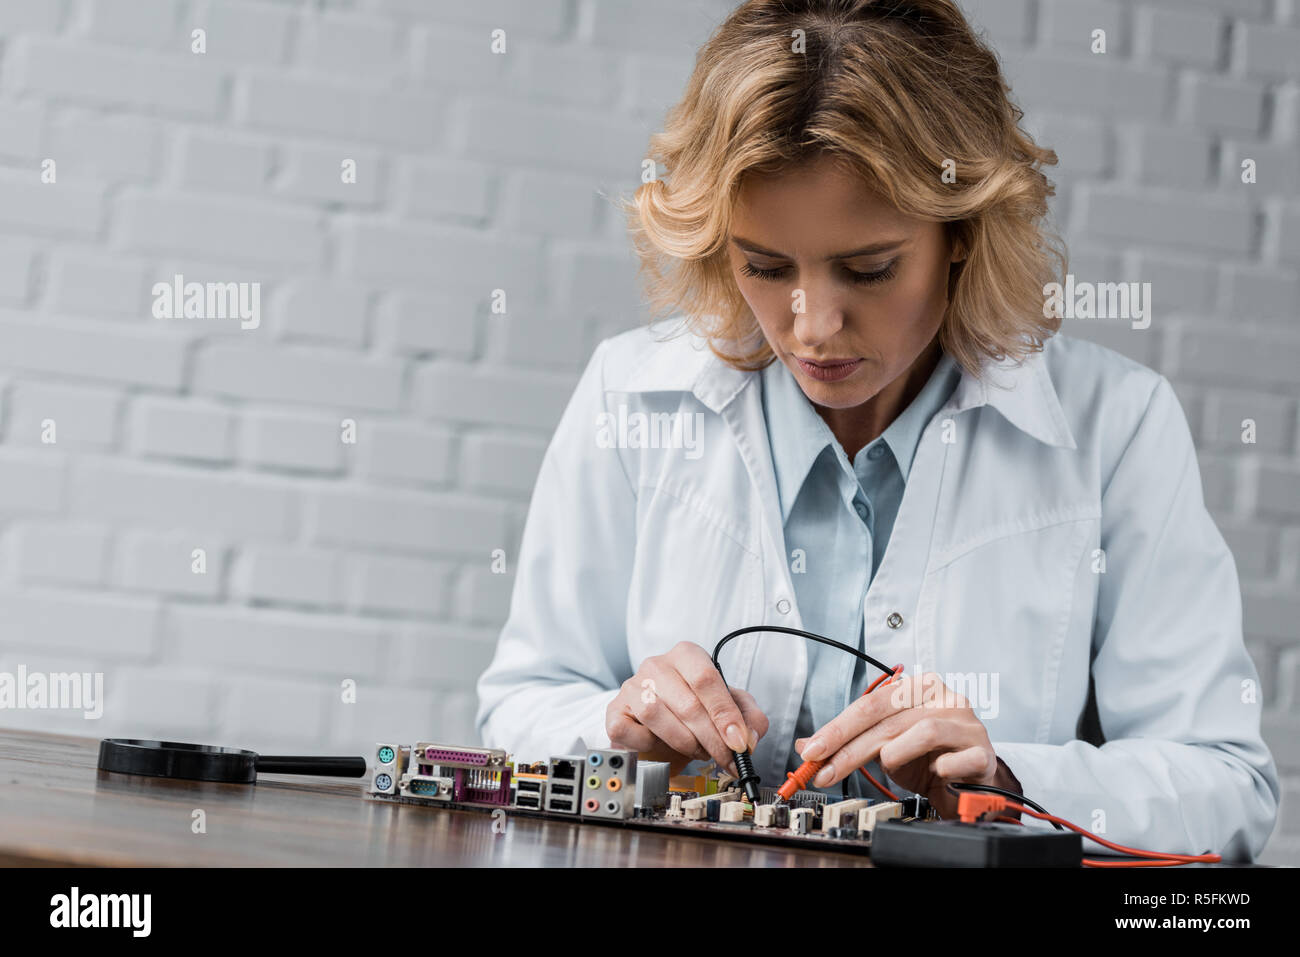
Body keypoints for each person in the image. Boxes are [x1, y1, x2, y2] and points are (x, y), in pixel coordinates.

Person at [475, 0, 1279, 859]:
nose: (813, 325)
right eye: (765, 265)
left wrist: (1010, 781)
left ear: (963, 233)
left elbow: (1226, 785)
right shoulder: (631, 398)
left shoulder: (1115, 428)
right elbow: (518, 710)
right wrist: (613, 724)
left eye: (868, 269)